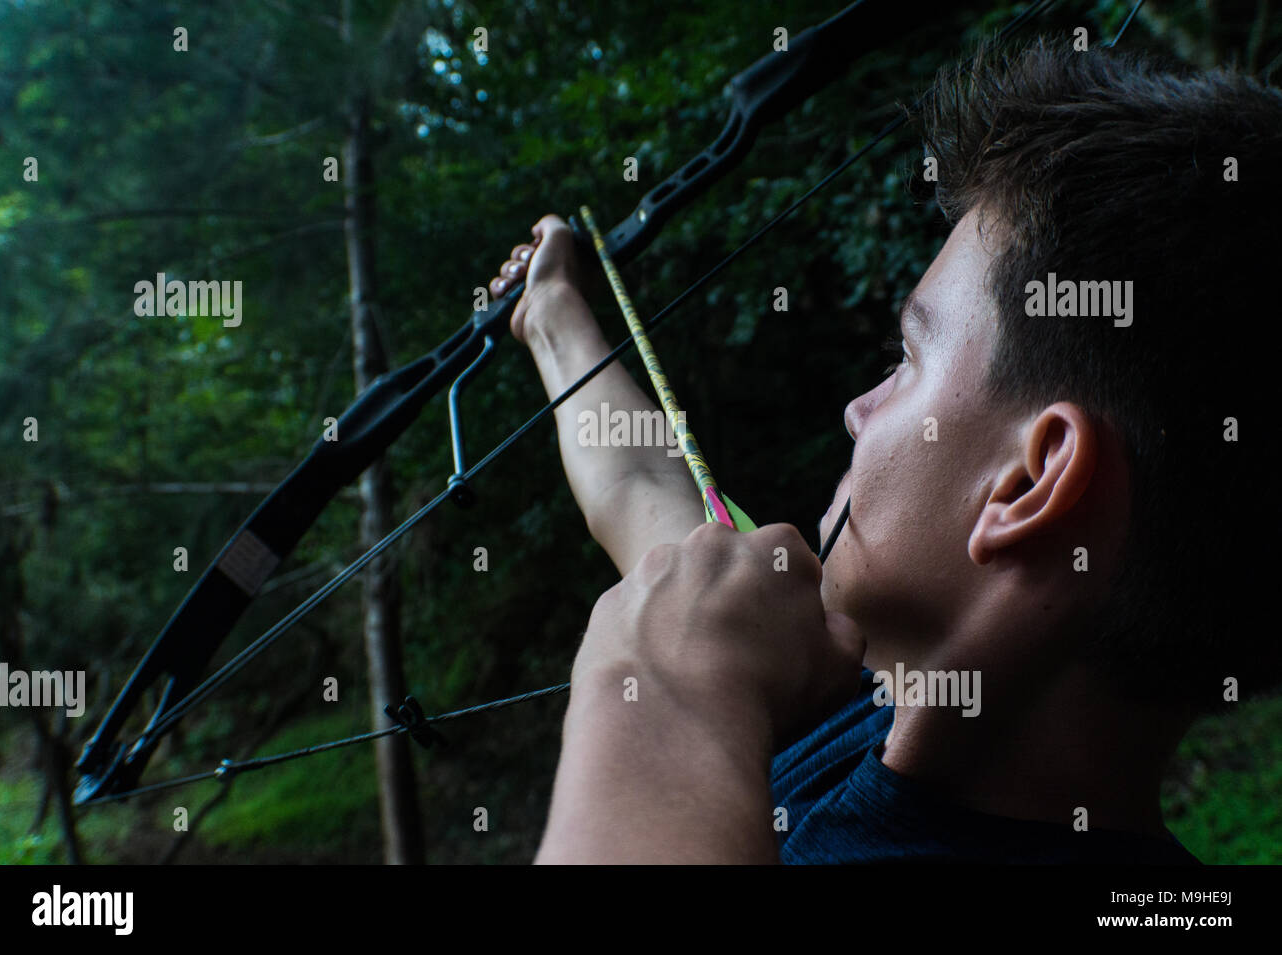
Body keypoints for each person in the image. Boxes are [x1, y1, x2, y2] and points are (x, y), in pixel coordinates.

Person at [487, 40, 1280, 864]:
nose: (855, 410)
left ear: (1031, 481)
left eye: (907, 358)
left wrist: (666, 691)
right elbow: (640, 477)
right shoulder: (849, 700)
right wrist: (551, 311)